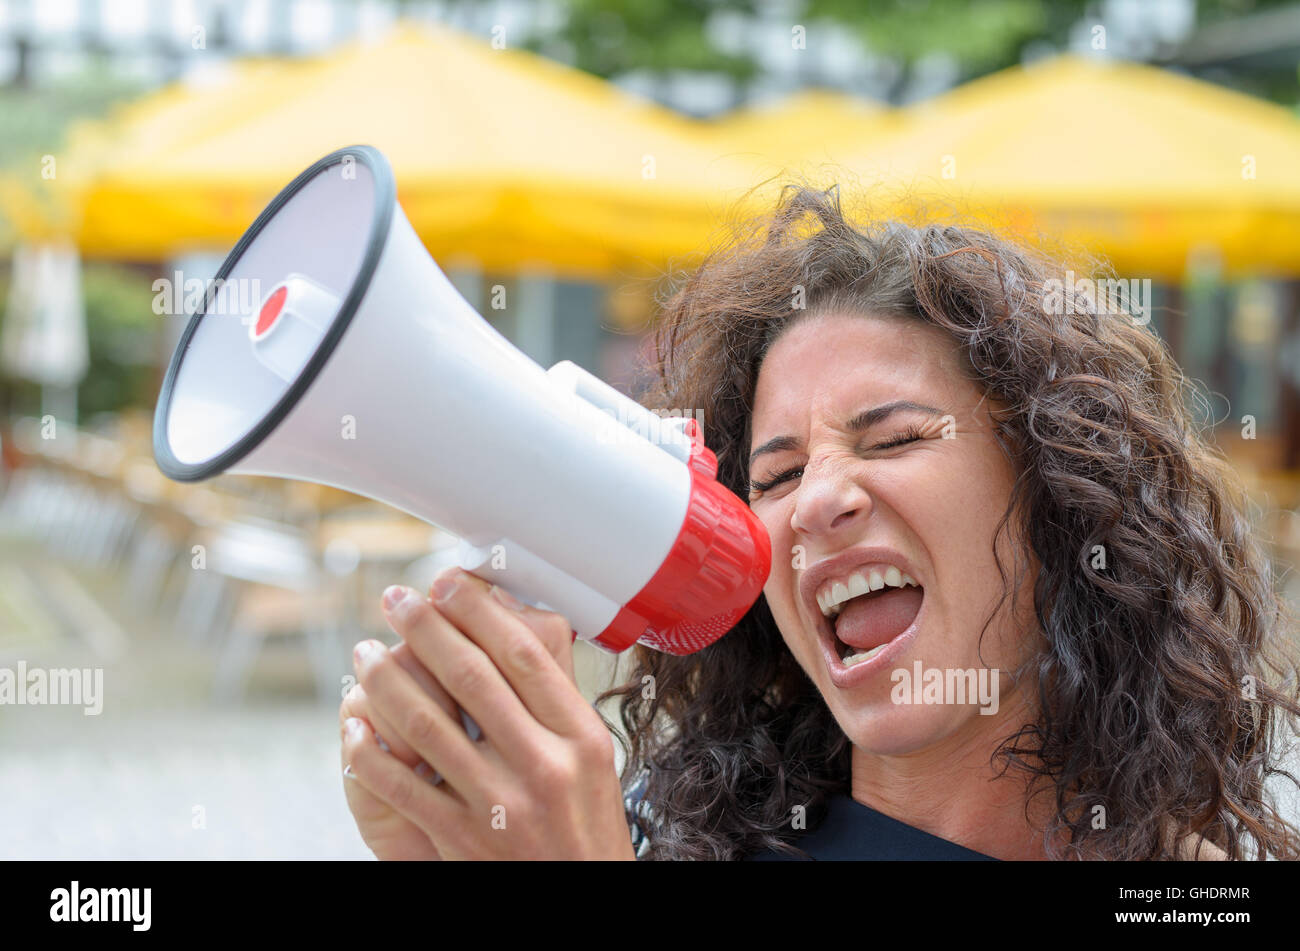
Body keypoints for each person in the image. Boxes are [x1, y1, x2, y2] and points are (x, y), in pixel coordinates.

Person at [337, 184, 1300, 860]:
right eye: (780, 471)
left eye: (891, 441)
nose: (819, 499)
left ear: (1060, 494)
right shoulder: (667, 835)